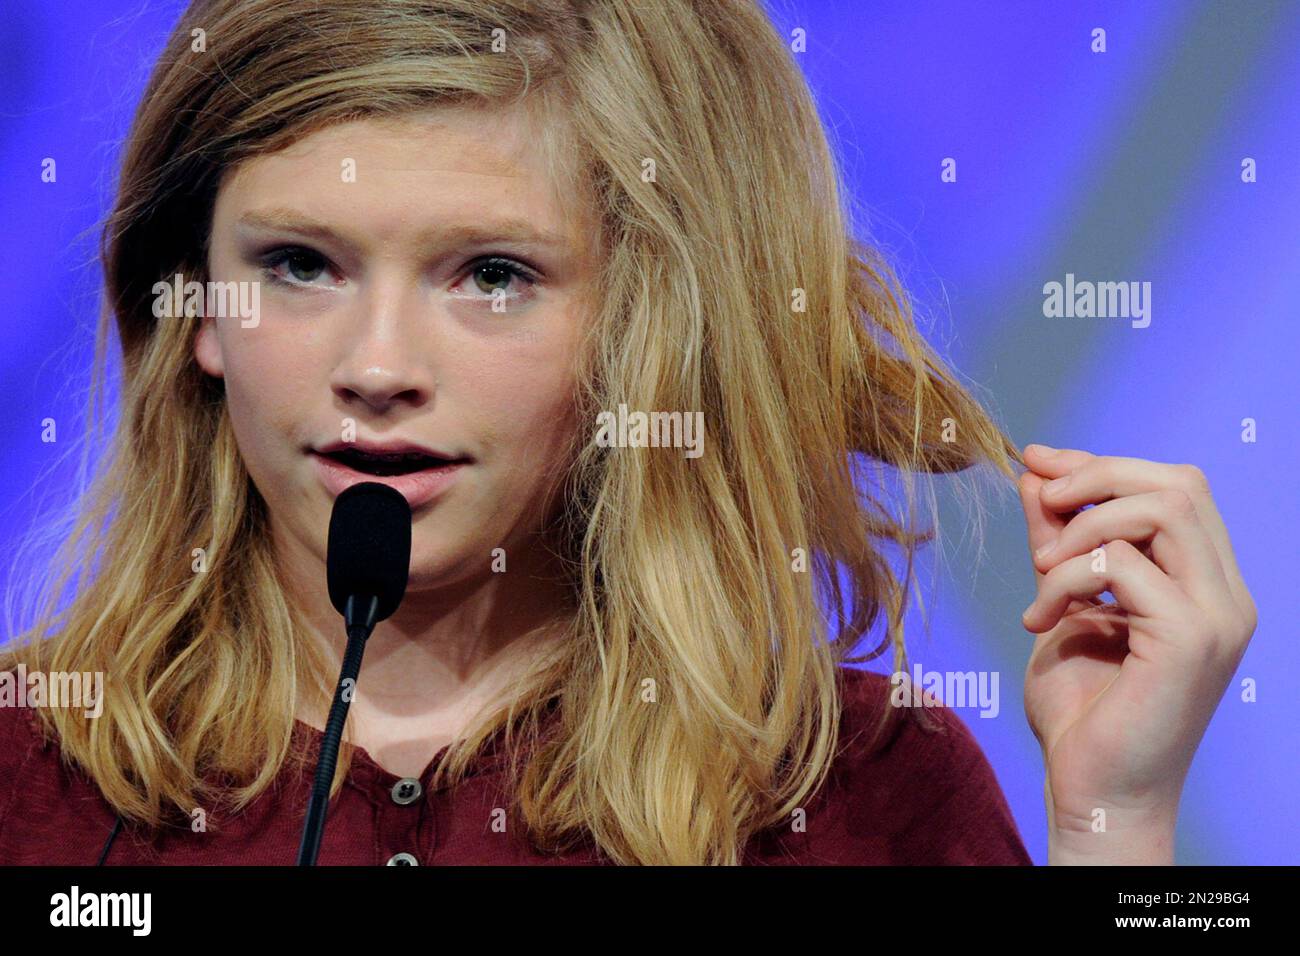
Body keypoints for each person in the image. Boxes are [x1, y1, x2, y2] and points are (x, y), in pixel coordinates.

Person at [0, 0, 1255, 866]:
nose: (375, 367)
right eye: (297, 264)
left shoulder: (864, 792)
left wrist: (1116, 819)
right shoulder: (30, 771)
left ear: (648, 329)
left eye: (490, 274)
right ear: (194, 308)